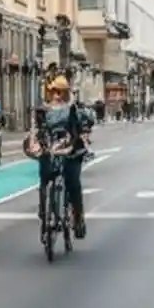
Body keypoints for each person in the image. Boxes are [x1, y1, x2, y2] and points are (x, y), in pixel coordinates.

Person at [25, 76, 94, 238]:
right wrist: (35, 145)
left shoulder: (73, 109)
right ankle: (44, 214)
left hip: (70, 150)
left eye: (60, 91)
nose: (57, 95)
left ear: (65, 93)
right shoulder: (43, 110)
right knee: (44, 180)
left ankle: (78, 219)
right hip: (49, 150)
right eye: (53, 91)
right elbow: (36, 131)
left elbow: (81, 127)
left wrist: (80, 138)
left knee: (73, 183)